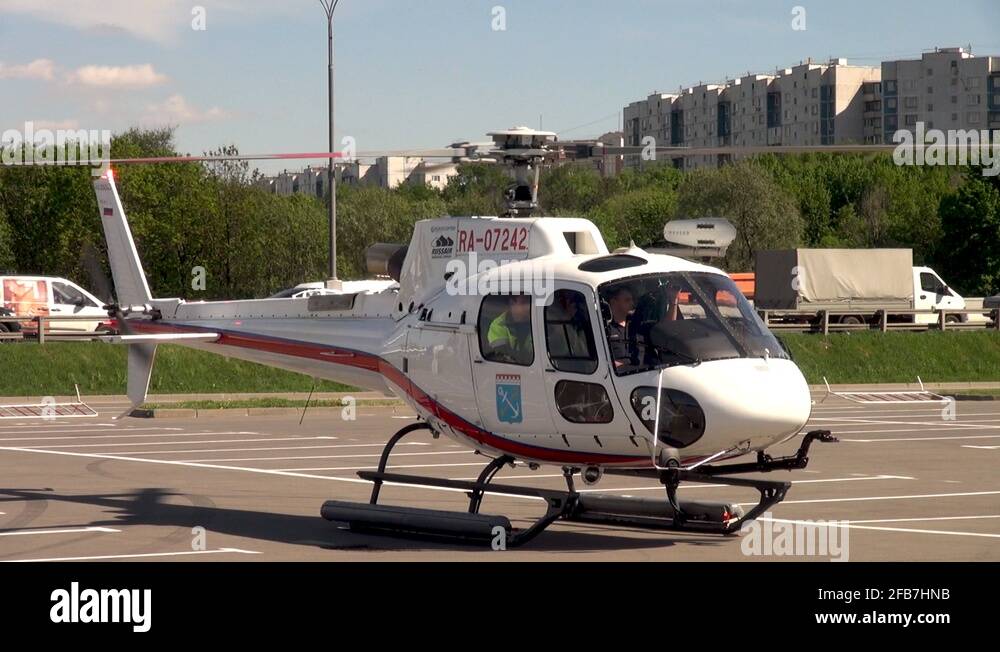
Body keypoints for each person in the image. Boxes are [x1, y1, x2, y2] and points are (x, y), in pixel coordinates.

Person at [487, 294, 533, 364]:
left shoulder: (535, 321)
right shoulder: (498, 325)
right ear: (512, 304)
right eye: (523, 303)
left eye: (529, 302)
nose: (528, 306)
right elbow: (502, 357)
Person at [605, 286, 635, 368]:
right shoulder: (605, 329)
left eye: (632, 300)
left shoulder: (636, 326)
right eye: (627, 300)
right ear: (613, 302)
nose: (632, 304)